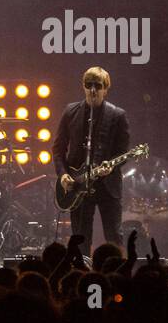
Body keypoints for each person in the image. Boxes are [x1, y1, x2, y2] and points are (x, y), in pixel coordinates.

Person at [51, 67, 130, 249]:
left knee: (113, 236)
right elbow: (58, 149)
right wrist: (63, 174)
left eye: (98, 85)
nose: (93, 90)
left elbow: (123, 153)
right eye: (89, 85)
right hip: (77, 185)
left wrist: (111, 167)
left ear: (105, 88)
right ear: (83, 86)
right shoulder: (71, 111)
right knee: (80, 238)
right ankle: (82, 273)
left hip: (107, 186)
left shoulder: (117, 115)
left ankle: (115, 273)